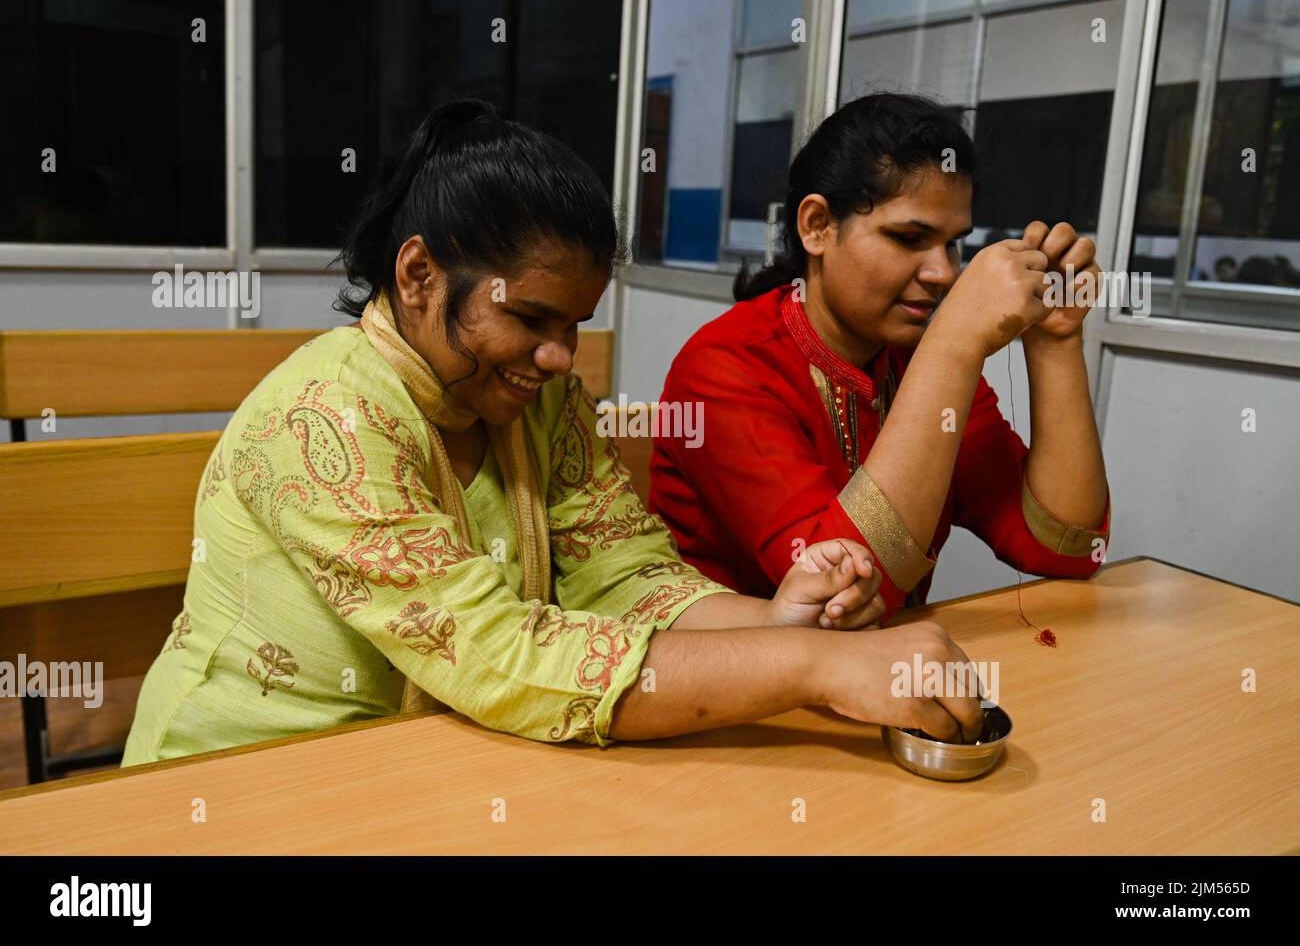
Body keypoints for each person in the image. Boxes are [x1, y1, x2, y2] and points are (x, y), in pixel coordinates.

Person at [124, 100, 987, 763]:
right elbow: (493, 652)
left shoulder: (536, 397)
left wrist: (778, 620)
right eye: (533, 317)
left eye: (575, 324)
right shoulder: (324, 418)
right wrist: (818, 668)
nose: (559, 356)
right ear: (419, 274)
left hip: (437, 760)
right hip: (245, 779)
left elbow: (626, 574)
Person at [651, 93, 1111, 620]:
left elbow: (1065, 547)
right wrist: (955, 342)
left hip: (873, 673)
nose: (942, 273)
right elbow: (833, 602)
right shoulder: (722, 368)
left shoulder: (919, 357)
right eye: (909, 237)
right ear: (818, 226)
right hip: (742, 687)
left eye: (953, 244)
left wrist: (1055, 343)